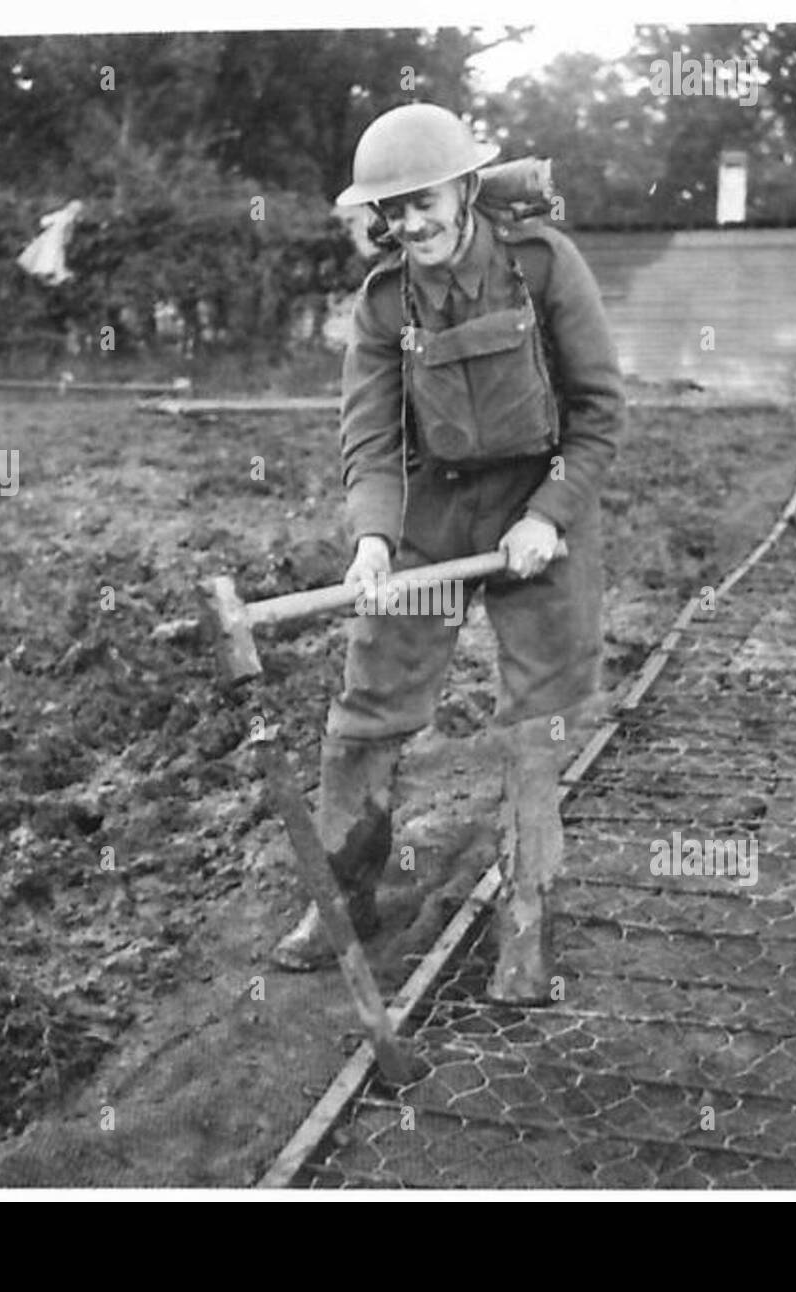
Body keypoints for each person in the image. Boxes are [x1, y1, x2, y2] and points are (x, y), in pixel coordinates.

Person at [271, 102, 624, 1002]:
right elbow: (372, 442)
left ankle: (528, 921)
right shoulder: (385, 301)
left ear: (465, 190)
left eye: (424, 202)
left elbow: (598, 415)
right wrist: (376, 541)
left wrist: (548, 515)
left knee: (535, 718)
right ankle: (346, 899)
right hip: (434, 511)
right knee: (369, 702)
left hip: (540, 505)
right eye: (391, 211)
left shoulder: (543, 267)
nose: (410, 225)